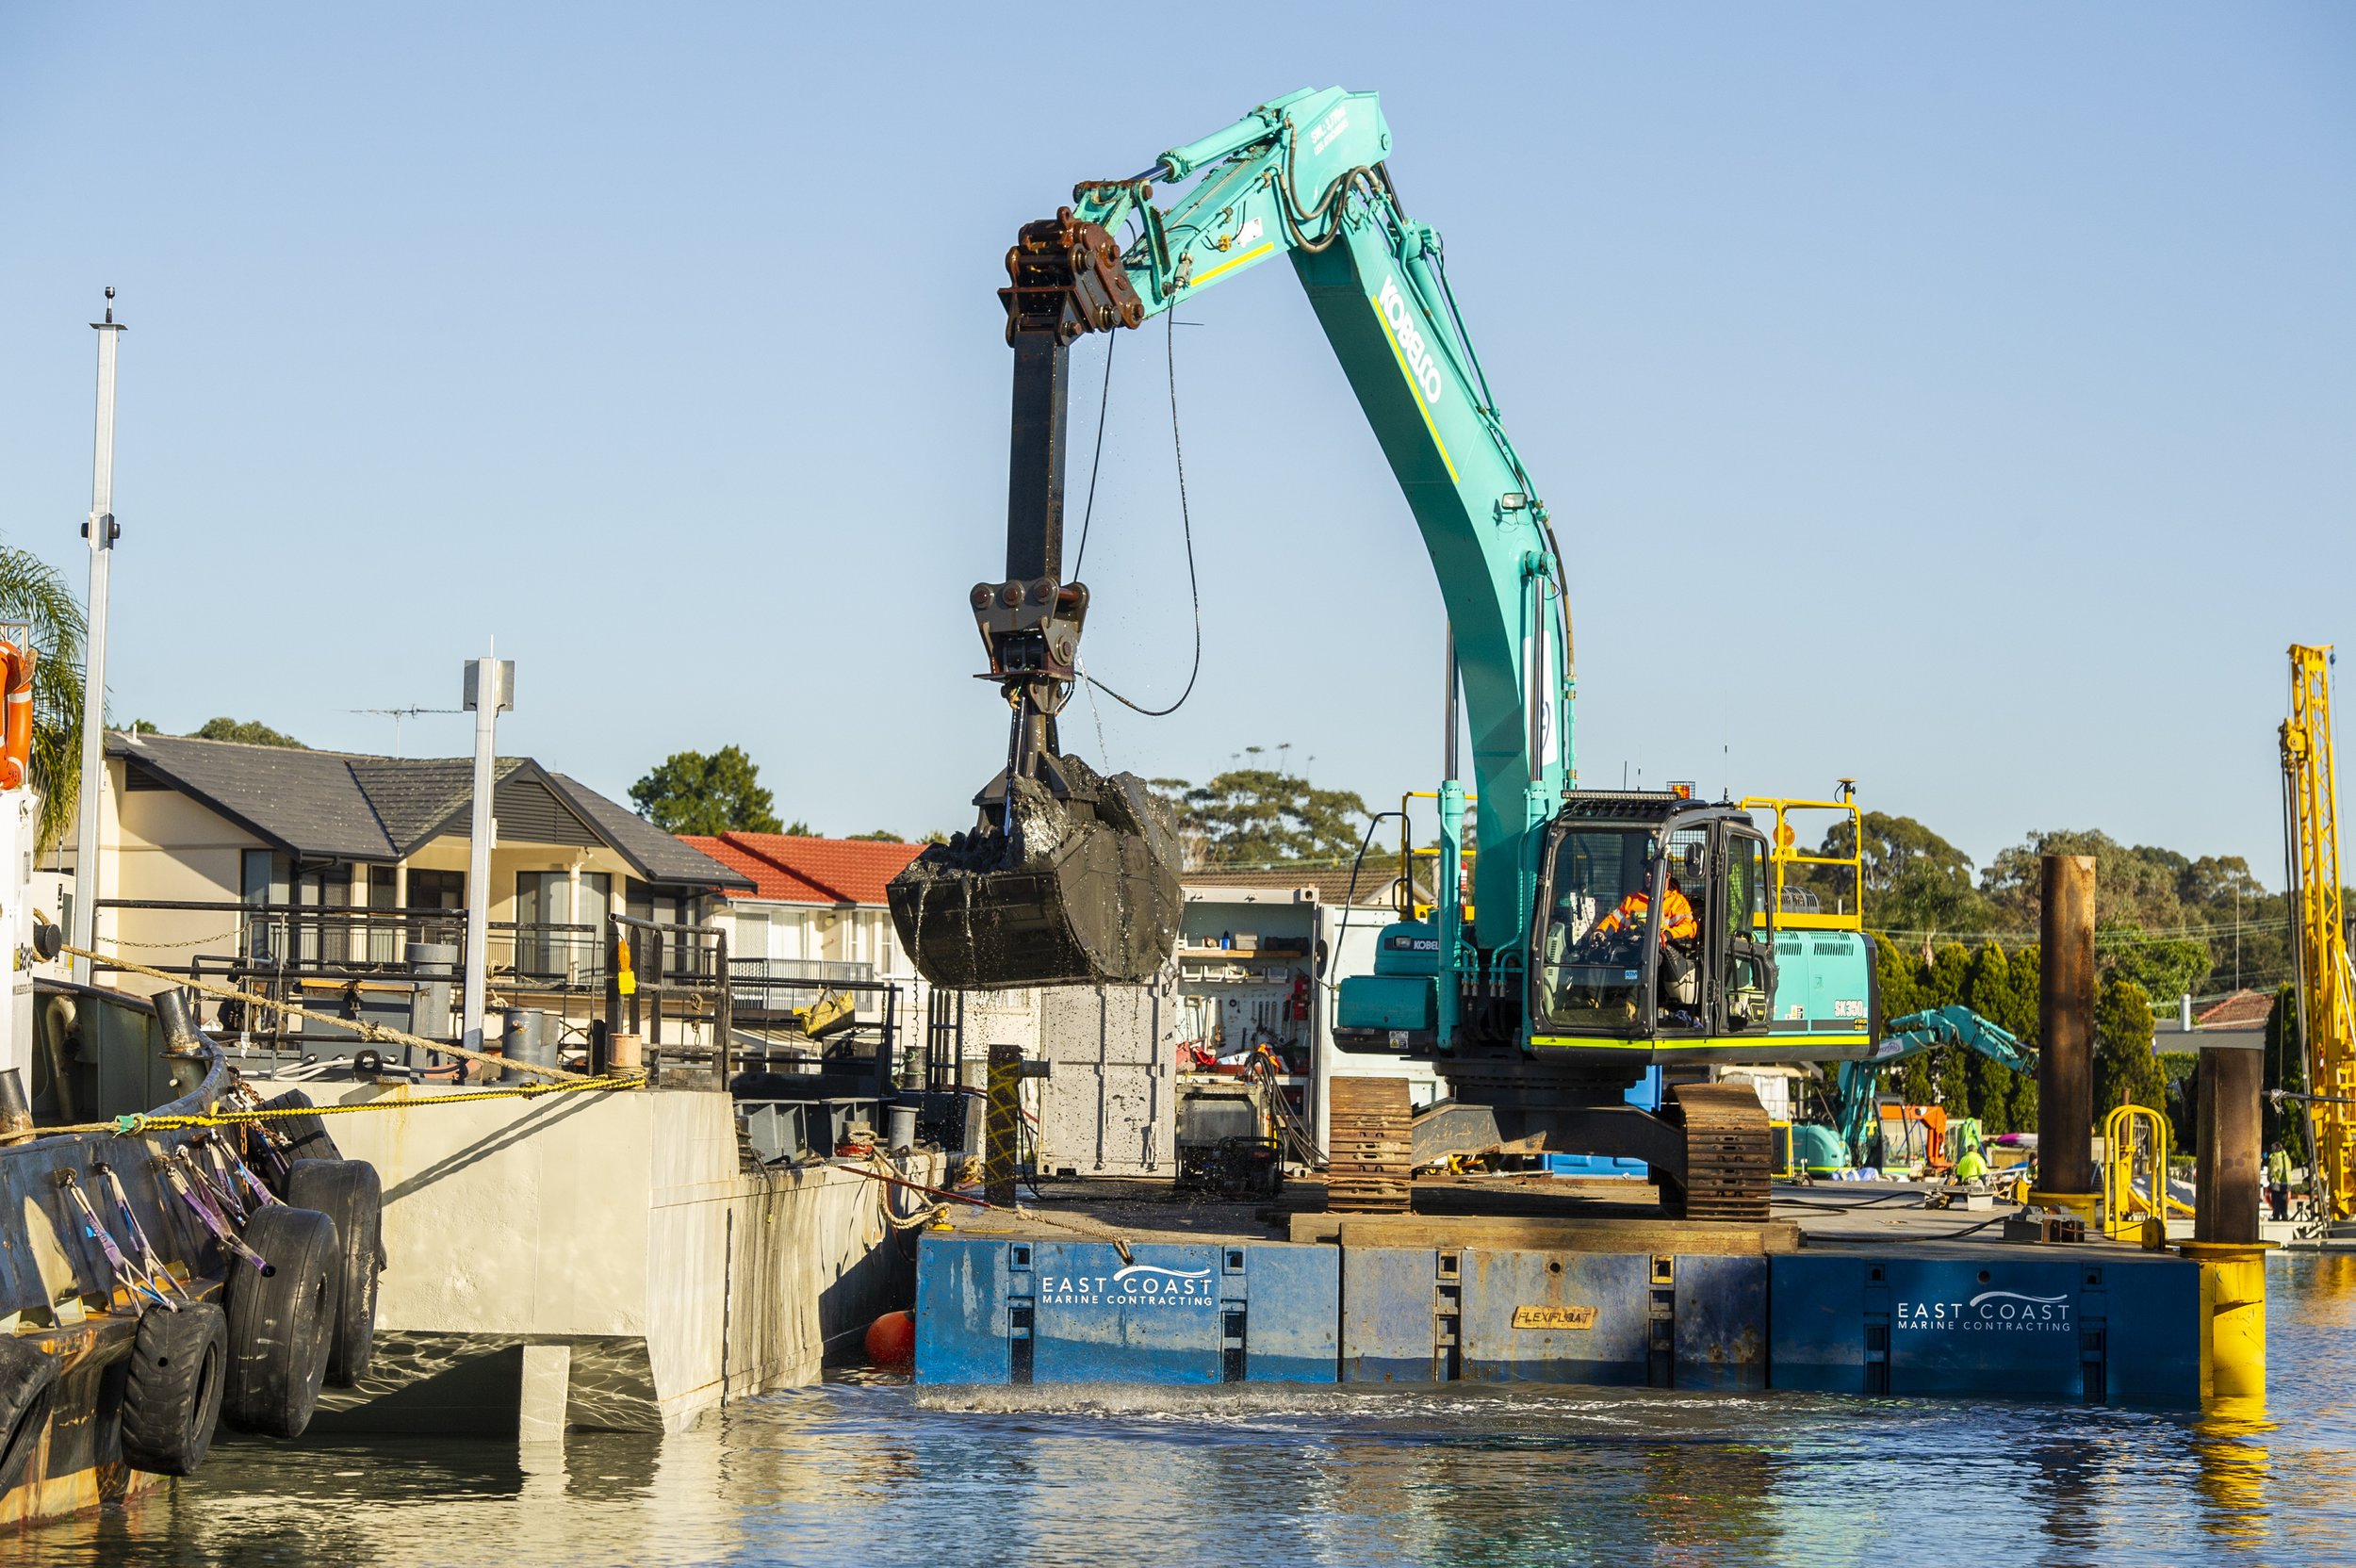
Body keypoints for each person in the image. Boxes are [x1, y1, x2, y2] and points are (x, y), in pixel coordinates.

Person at [2267, 1143, 2292, 1221]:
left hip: (2277, 1183)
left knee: (2276, 1201)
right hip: (2286, 1183)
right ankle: (2285, 1217)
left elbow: (2272, 1170)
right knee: (2283, 1202)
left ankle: (2276, 1217)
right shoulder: (2286, 1158)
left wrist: (2270, 1178)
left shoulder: (2275, 1158)